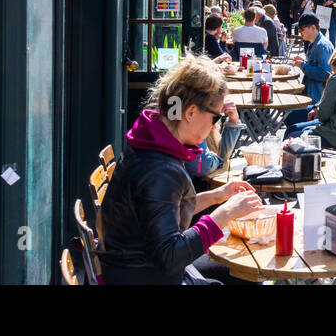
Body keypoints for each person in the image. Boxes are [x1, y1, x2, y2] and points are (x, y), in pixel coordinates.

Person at [100, 58, 264, 284]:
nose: (215, 126)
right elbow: (169, 257)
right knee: (245, 272)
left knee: (237, 266)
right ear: (190, 112)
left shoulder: (149, 144)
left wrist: (217, 196)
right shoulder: (160, 169)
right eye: (215, 116)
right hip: (145, 276)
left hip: (128, 269)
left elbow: (161, 213)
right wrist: (224, 214)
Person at [187, 97, 244, 185]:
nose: (213, 126)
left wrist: (233, 120)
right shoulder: (184, 125)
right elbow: (203, 165)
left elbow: (221, 155)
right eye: (214, 117)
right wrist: (218, 160)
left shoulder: (205, 118)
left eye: (218, 117)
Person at [292, 13, 334, 103]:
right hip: (312, 93)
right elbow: (316, 66)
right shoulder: (315, 43)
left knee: (288, 114)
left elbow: (324, 74)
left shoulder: (322, 46)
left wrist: (303, 65)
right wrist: (304, 62)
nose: (299, 32)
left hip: (317, 99)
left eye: (301, 29)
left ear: (313, 27)